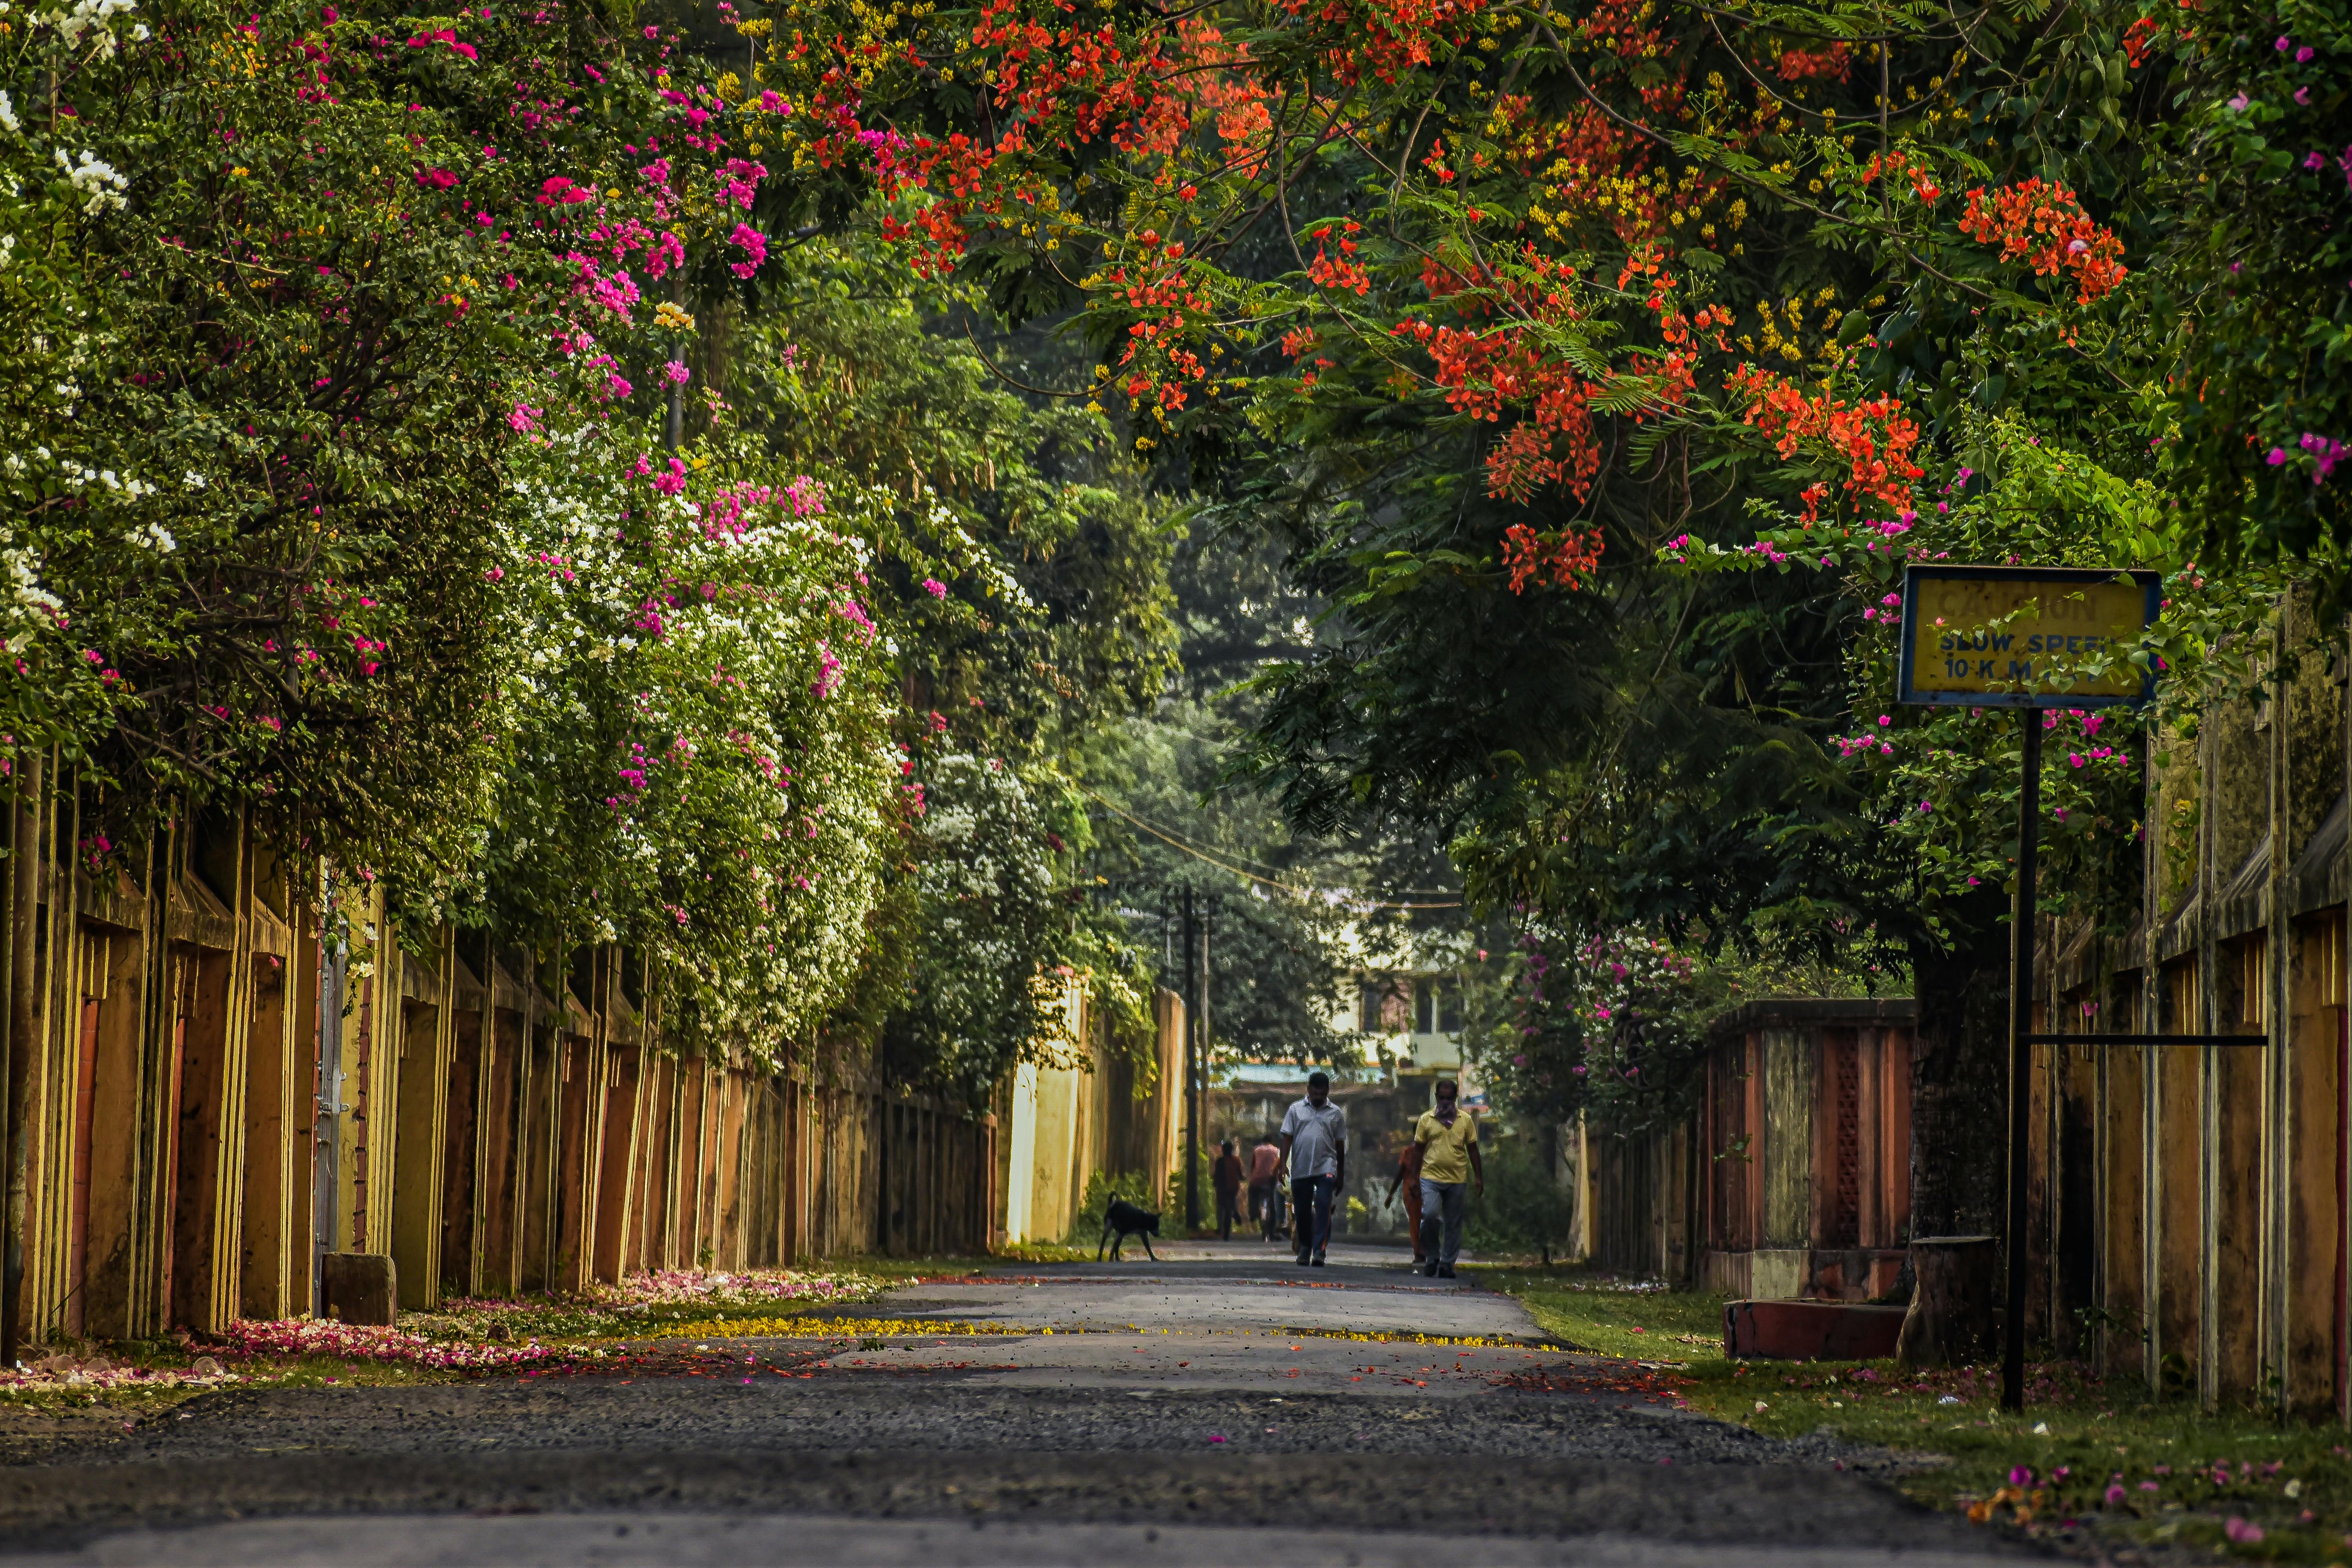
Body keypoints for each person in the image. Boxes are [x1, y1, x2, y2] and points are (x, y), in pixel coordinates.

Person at [1413, 1078, 1483, 1278]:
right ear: (1436, 1098)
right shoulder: (1426, 1120)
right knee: (1429, 1216)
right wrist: (1413, 1178)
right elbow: (1418, 1152)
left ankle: (1447, 1263)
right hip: (1430, 1177)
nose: (1445, 1102)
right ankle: (1432, 1256)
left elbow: (1473, 1150)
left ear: (1455, 1098)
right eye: (1441, 1098)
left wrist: (1479, 1177)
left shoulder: (1465, 1121)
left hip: (1457, 1179)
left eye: (1449, 1098)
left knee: (1453, 1223)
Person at [1278, 1070, 1346, 1267]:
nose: (1318, 1098)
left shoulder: (1335, 1113)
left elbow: (1340, 1145)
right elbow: (1287, 1138)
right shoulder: (1295, 1110)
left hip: (1326, 1167)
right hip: (1301, 1168)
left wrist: (1340, 1174)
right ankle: (1305, 1248)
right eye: (1315, 1093)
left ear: (1327, 1092)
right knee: (1302, 1211)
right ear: (1308, 1090)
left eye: (1322, 1094)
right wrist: (1283, 1164)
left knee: (1324, 1206)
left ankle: (1319, 1251)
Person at [1387, 1136, 1426, 1266]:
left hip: (1428, 1190)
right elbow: (1401, 1173)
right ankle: (1419, 1252)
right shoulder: (1408, 1153)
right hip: (1412, 1192)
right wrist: (1391, 1194)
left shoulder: (1432, 1152)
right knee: (1415, 1221)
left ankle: (1427, 1250)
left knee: (1428, 1220)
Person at [1248, 1132, 1283, 1241]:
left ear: (1263, 1142)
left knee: (1252, 1194)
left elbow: (1253, 1166)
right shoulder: (1276, 1150)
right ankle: (1272, 1231)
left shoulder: (1257, 1150)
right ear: (1271, 1142)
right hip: (1271, 1180)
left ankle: (1253, 1213)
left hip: (1257, 1181)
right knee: (1273, 1205)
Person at [1212, 1138, 1247, 1240]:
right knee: (1232, 1203)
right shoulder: (1237, 1161)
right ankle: (1235, 1213)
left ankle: (1220, 1227)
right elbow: (1241, 1175)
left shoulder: (1220, 1161)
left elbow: (1216, 1175)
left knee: (1220, 1207)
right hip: (1233, 1188)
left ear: (1223, 1150)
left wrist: (1215, 1182)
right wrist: (1243, 1178)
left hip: (1222, 1189)